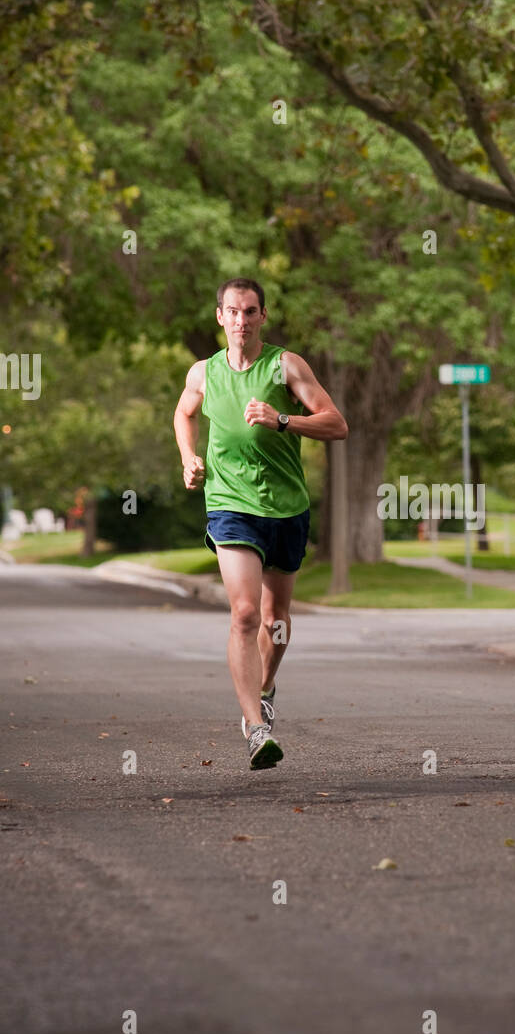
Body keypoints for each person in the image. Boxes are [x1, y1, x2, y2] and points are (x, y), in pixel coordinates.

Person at [173, 278, 348, 769]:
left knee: (275, 622)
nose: (241, 320)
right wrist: (188, 456)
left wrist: (284, 421)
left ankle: (266, 687)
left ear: (262, 316)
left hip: (287, 506)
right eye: (233, 311)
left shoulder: (285, 365)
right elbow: (183, 414)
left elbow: (337, 424)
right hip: (230, 503)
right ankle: (255, 728)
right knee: (246, 614)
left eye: (250, 312)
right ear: (219, 316)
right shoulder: (204, 373)